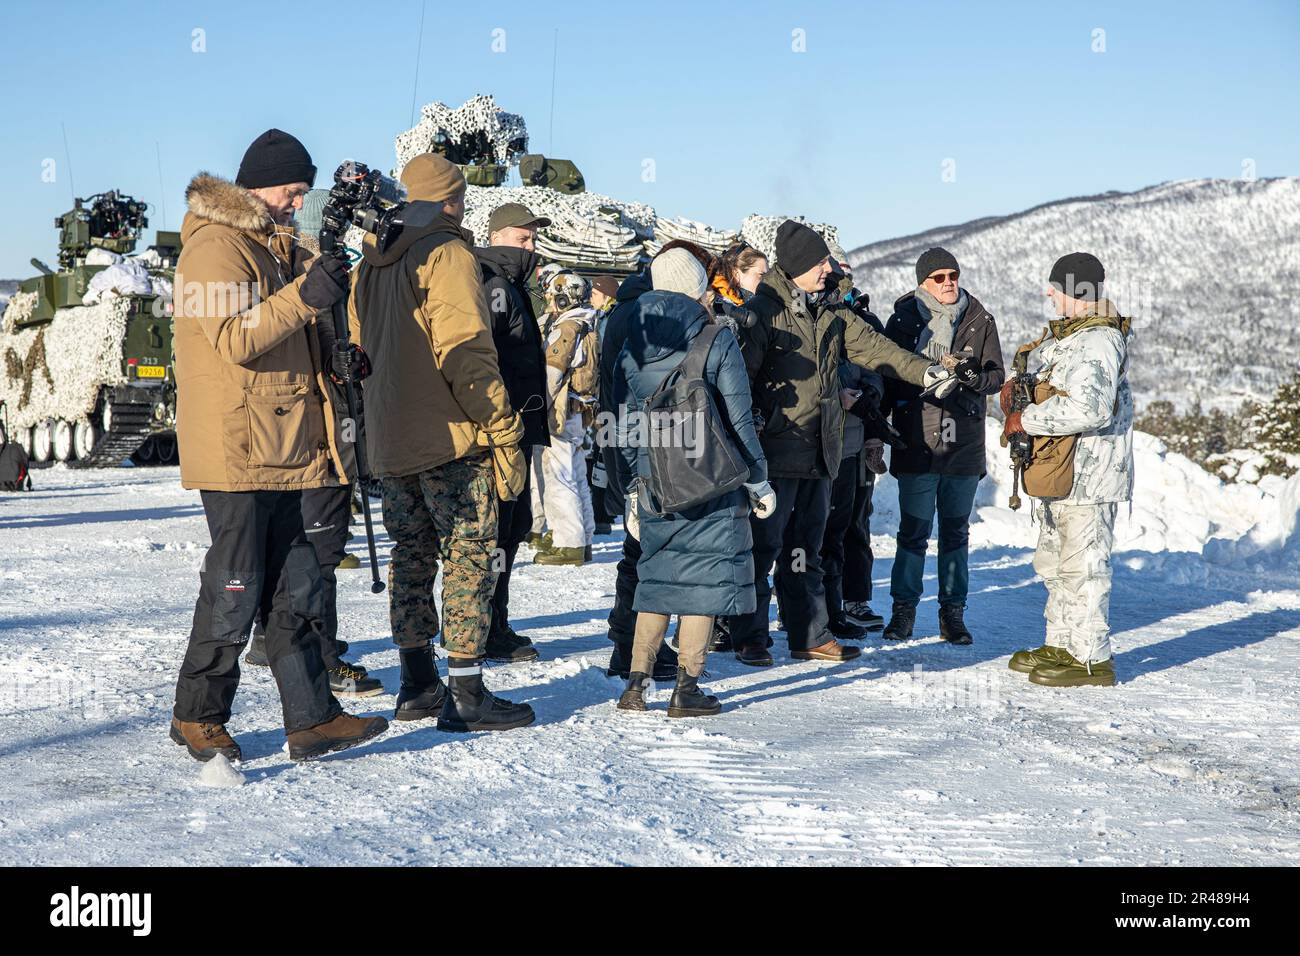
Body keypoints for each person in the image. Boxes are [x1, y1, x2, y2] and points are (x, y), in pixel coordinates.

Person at [170, 129, 388, 762]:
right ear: (258, 185)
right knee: (236, 585)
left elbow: (289, 338)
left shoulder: (275, 247)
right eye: (292, 191)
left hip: (288, 445)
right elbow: (235, 340)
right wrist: (305, 294)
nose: (298, 203)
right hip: (239, 450)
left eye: (302, 192)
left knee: (299, 589)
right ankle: (197, 714)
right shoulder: (214, 249)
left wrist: (338, 355)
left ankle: (312, 718)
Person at [348, 152, 534, 731]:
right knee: (469, 558)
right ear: (453, 201)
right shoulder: (448, 253)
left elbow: (357, 352)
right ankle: (467, 693)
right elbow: (468, 352)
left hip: (390, 439)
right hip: (451, 437)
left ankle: (417, 683)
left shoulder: (369, 264)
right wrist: (504, 427)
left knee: (411, 557)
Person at [731, 220, 951, 667]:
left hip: (820, 451)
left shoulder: (830, 311)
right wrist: (753, 432)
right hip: (775, 452)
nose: (828, 268)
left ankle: (808, 634)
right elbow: (742, 380)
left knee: (805, 550)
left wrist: (925, 371)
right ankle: (750, 635)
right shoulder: (764, 313)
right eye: (819, 263)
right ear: (794, 268)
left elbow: (875, 348)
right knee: (762, 549)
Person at [612, 249, 772, 716]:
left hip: (653, 476)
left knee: (658, 575)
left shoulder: (631, 342)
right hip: (710, 475)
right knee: (702, 581)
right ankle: (687, 688)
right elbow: (740, 422)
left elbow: (621, 422)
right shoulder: (715, 338)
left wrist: (631, 484)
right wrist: (758, 480)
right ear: (696, 286)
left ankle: (636, 685)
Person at [244, 188, 381, 697]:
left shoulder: (308, 275)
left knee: (306, 549)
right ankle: (320, 657)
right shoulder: (310, 280)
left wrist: (351, 360)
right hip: (317, 436)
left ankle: (273, 638)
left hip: (320, 431)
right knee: (319, 551)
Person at [1006, 252, 1133, 687]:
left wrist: (1027, 419)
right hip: (1063, 472)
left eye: (1056, 287)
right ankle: (1062, 644)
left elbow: (1091, 408)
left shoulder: (1098, 340)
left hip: (1090, 474)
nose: (1049, 293)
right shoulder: (1068, 338)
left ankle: (1092, 658)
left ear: (1077, 291)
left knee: (1085, 567)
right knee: (1057, 564)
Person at [880, 248, 1004, 645]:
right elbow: (886, 375)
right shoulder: (902, 320)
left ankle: (953, 615)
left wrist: (971, 376)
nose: (949, 282)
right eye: (939, 277)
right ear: (923, 282)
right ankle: (904, 613)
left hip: (963, 444)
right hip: (916, 439)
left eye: (953, 274)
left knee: (955, 533)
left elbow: (996, 377)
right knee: (913, 532)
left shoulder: (980, 319)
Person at [477, 202, 552, 663]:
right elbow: (481, 360)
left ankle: (494, 623)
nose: (532, 246)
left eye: (533, 239)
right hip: (499, 435)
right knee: (495, 532)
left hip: (519, 429)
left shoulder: (513, 284)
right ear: (498, 236)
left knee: (513, 528)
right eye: (523, 239)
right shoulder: (493, 283)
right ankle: (483, 628)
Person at [820, 263, 890, 638]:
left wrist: (871, 396)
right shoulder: (815, 320)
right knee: (815, 526)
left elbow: (878, 369)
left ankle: (855, 599)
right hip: (820, 441)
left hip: (860, 436)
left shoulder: (865, 322)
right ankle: (808, 602)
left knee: (855, 523)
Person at [531, 269, 599, 567]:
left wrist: (534, 410)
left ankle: (568, 542)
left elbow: (552, 372)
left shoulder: (568, 326)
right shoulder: (589, 320)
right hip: (580, 409)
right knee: (575, 474)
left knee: (558, 476)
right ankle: (582, 537)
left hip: (561, 410)